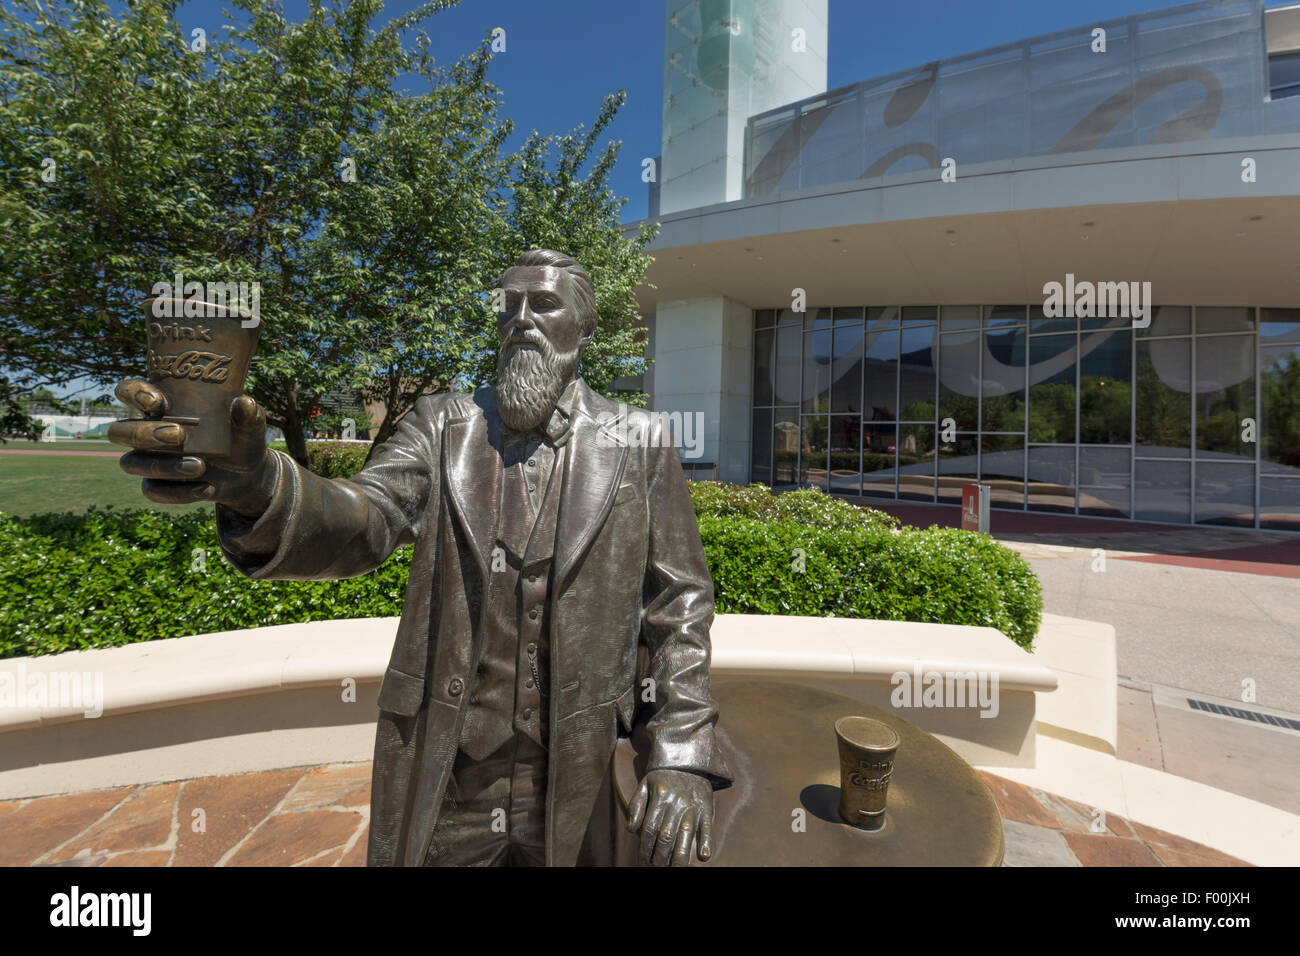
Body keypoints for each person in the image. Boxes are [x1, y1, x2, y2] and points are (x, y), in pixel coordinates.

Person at [110, 249, 730, 866]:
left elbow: (679, 603)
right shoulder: (442, 425)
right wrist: (260, 486)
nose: (521, 319)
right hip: (452, 763)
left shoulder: (641, 441)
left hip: (580, 767)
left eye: (543, 304)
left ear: (584, 328)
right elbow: (366, 516)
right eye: (508, 305)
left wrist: (680, 752)